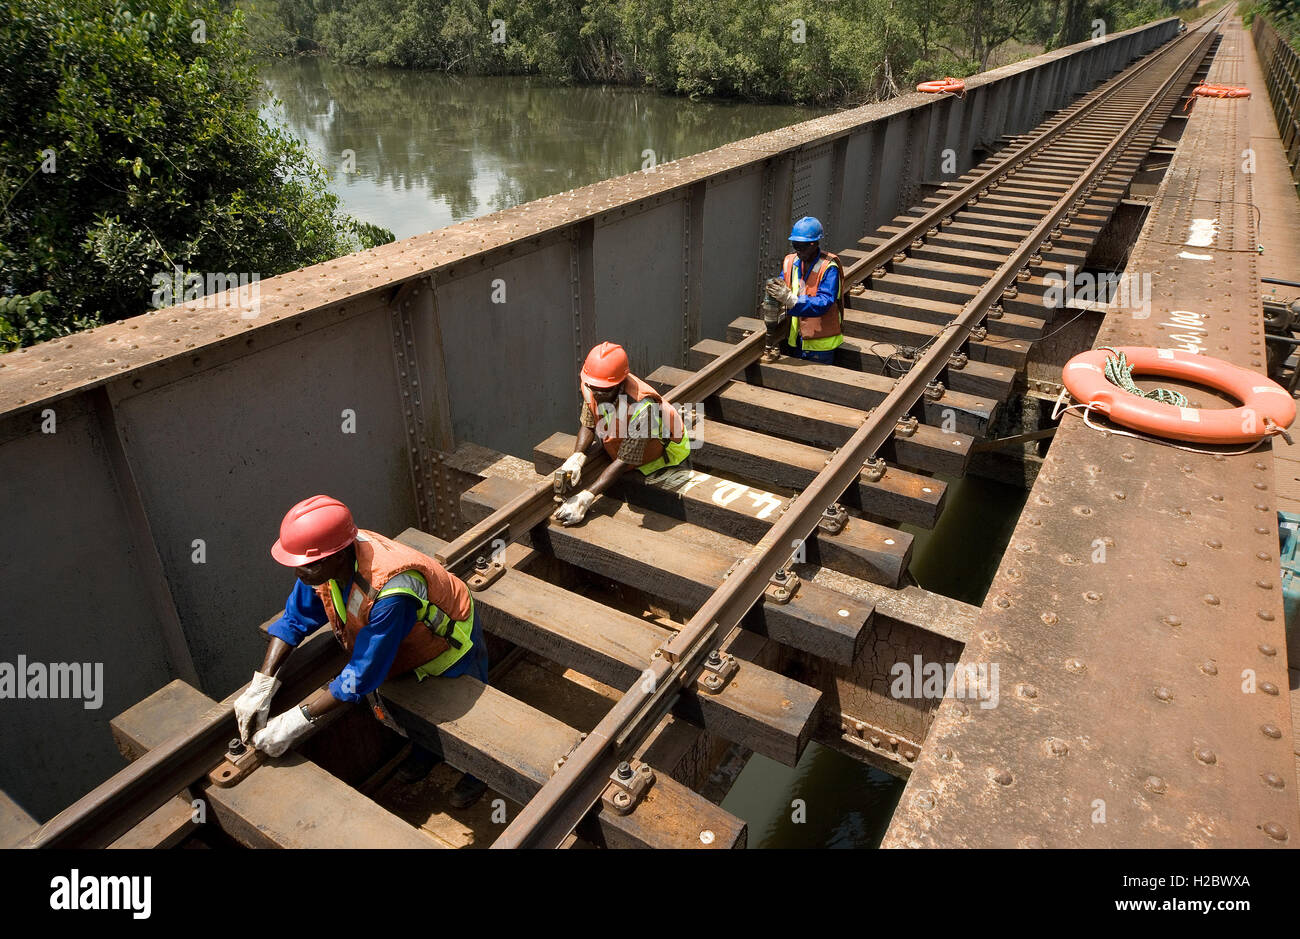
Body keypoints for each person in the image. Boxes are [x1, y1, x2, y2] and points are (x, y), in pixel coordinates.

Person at [233, 495, 490, 808]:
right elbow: (294, 620)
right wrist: (262, 684)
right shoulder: (322, 563)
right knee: (415, 711)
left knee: (467, 720)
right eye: (297, 565)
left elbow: (362, 674)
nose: (300, 574)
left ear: (337, 556)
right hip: (403, 647)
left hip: (448, 645)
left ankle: (479, 774)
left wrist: (297, 721)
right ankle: (427, 754)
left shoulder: (392, 590)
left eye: (307, 565)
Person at [553, 341, 692, 526]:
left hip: (665, 455)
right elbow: (589, 423)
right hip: (628, 446)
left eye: (604, 390)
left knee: (660, 510)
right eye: (593, 388)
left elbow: (625, 460)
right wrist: (577, 456)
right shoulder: (592, 385)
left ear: (620, 384)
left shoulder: (643, 408)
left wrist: (586, 497)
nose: (597, 394)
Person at [764, 216, 845, 364]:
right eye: (795, 245)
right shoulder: (791, 262)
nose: (799, 251)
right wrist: (776, 293)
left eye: (803, 246)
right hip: (795, 339)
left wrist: (791, 299)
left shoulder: (829, 267)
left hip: (821, 344)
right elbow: (785, 283)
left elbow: (825, 302)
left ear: (814, 244)